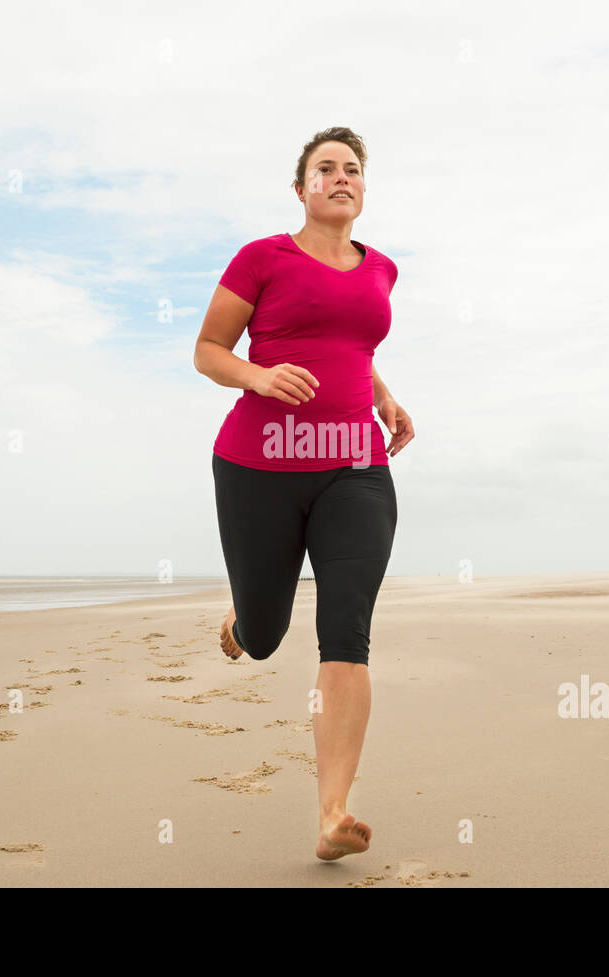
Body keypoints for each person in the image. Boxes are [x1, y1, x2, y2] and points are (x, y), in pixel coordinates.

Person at [193, 126, 415, 861]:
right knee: (264, 635)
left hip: (355, 468)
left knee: (347, 631)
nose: (341, 177)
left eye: (353, 169)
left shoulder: (380, 269)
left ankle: (333, 812)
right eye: (326, 168)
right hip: (259, 466)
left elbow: (354, 344)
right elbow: (209, 349)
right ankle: (244, 622)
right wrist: (259, 375)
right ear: (301, 188)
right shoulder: (263, 258)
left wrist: (383, 397)